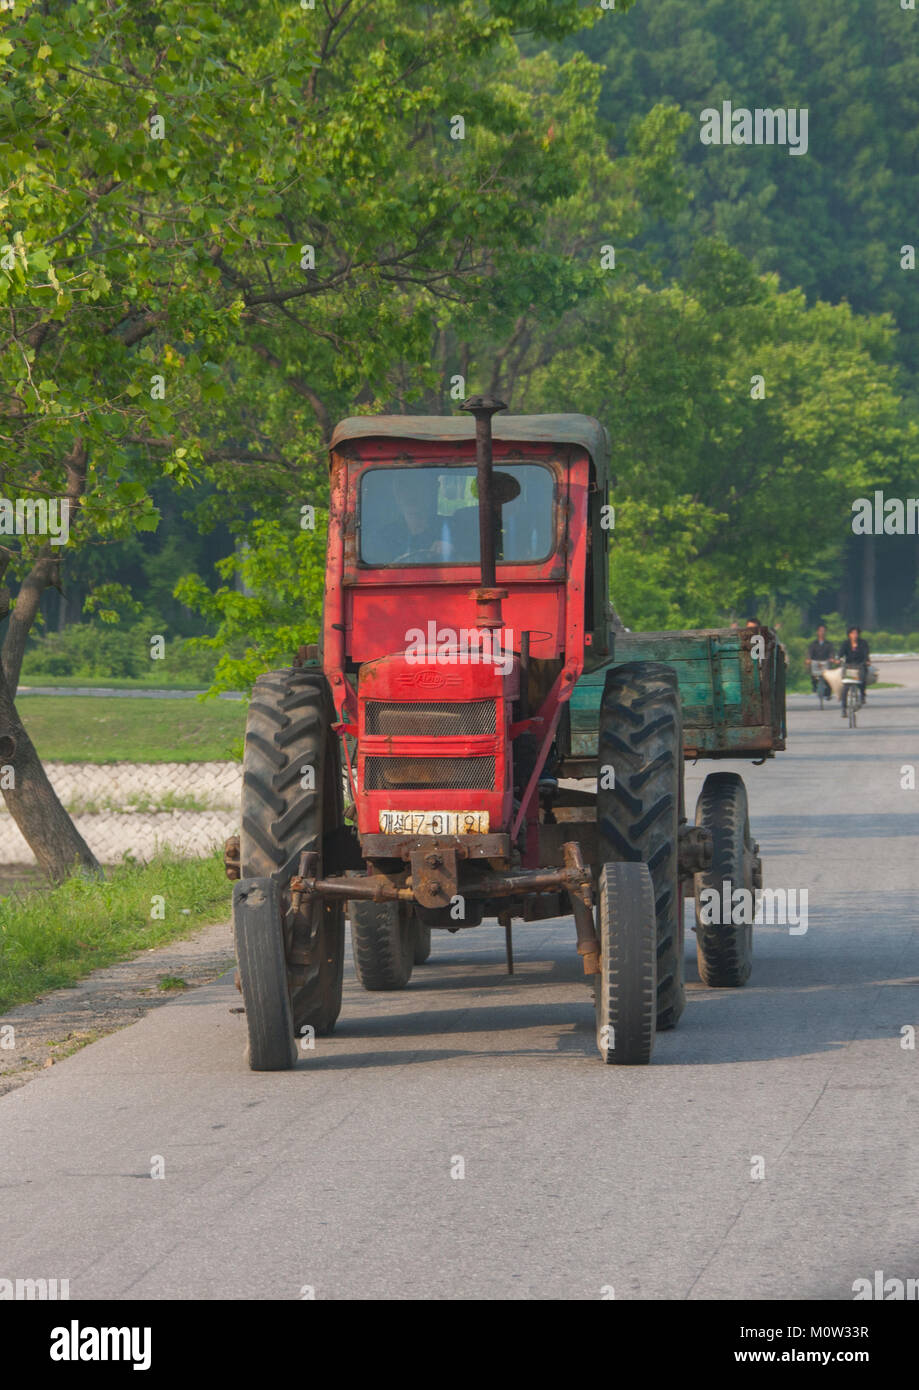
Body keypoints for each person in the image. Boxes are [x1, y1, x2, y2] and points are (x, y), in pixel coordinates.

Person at [838, 625, 871, 715]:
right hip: (848, 666)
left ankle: (862, 696)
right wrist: (838, 659)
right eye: (853, 633)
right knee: (845, 687)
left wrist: (866, 661)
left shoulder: (863, 643)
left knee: (862, 680)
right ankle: (844, 709)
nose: (855, 635)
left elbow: (866, 653)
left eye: (856, 633)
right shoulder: (845, 643)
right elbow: (840, 653)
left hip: (860, 665)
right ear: (849, 635)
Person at [806, 623, 836, 693]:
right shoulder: (813, 644)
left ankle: (828, 690)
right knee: (813, 674)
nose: (822, 632)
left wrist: (832, 658)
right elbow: (810, 652)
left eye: (823, 631)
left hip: (826, 662)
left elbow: (832, 652)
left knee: (828, 678)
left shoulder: (829, 644)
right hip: (816, 663)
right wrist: (808, 659)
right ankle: (814, 686)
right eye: (820, 631)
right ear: (817, 632)